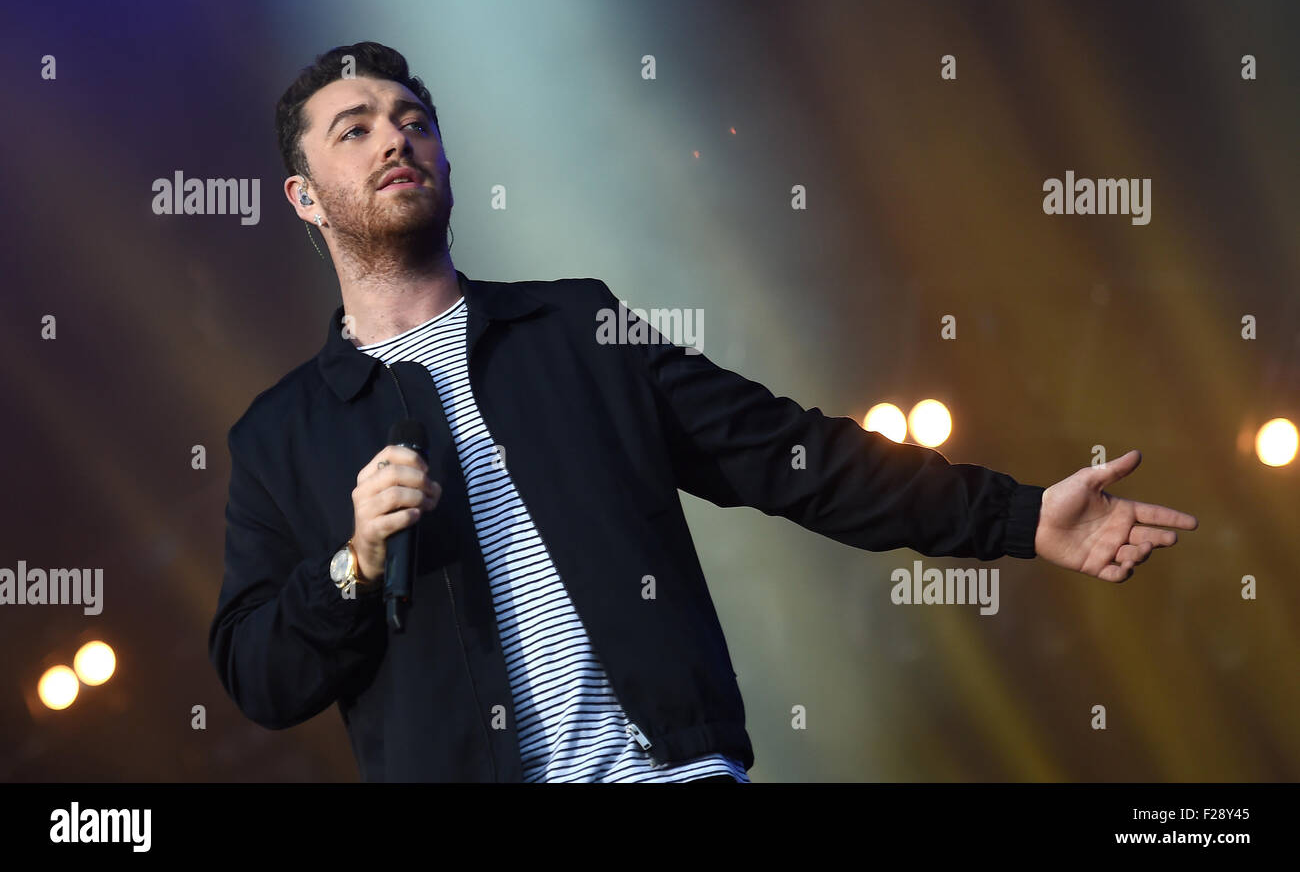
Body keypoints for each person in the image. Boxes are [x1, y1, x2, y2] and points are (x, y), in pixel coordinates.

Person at [207, 41, 1198, 783]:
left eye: (413, 119)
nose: (396, 138)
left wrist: (1020, 515)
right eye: (356, 129)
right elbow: (260, 676)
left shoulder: (573, 328)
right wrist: (353, 565)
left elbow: (789, 454)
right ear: (304, 197)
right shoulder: (280, 436)